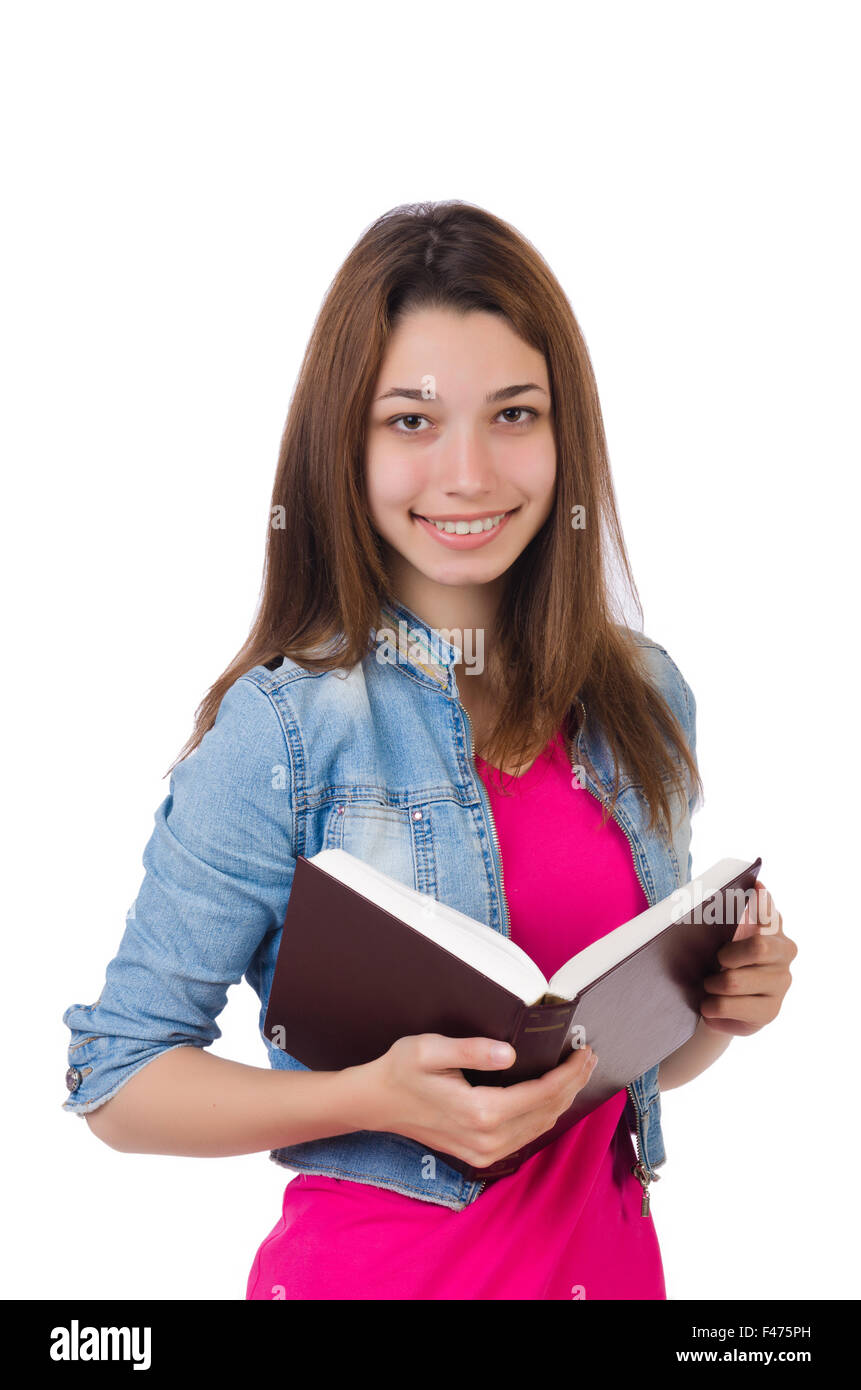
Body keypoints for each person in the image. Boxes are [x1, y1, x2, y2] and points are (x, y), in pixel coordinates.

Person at [62, 200, 796, 1301]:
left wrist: (723, 1008)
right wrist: (371, 1097)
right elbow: (118, 1077)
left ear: (566, 433)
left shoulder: (643, 696)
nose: (469, 473)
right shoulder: (289, 728)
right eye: (412, 420)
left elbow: (614, 1075)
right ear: (344, 443)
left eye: (514, 414)